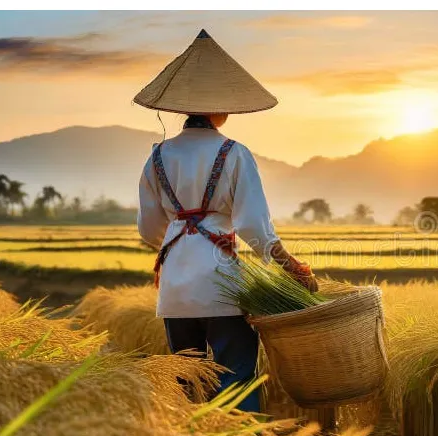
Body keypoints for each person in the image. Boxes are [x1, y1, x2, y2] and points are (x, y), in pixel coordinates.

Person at [134, 29, 317, 412]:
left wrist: (181, 245)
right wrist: (292, 266)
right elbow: (254, 226)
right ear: (223, 109)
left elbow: (149, 229)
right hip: (221, 285)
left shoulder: (157, 157)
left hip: (175, 290)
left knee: (185, 382)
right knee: (234, 380)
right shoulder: (233, 153)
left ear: (183, 109)